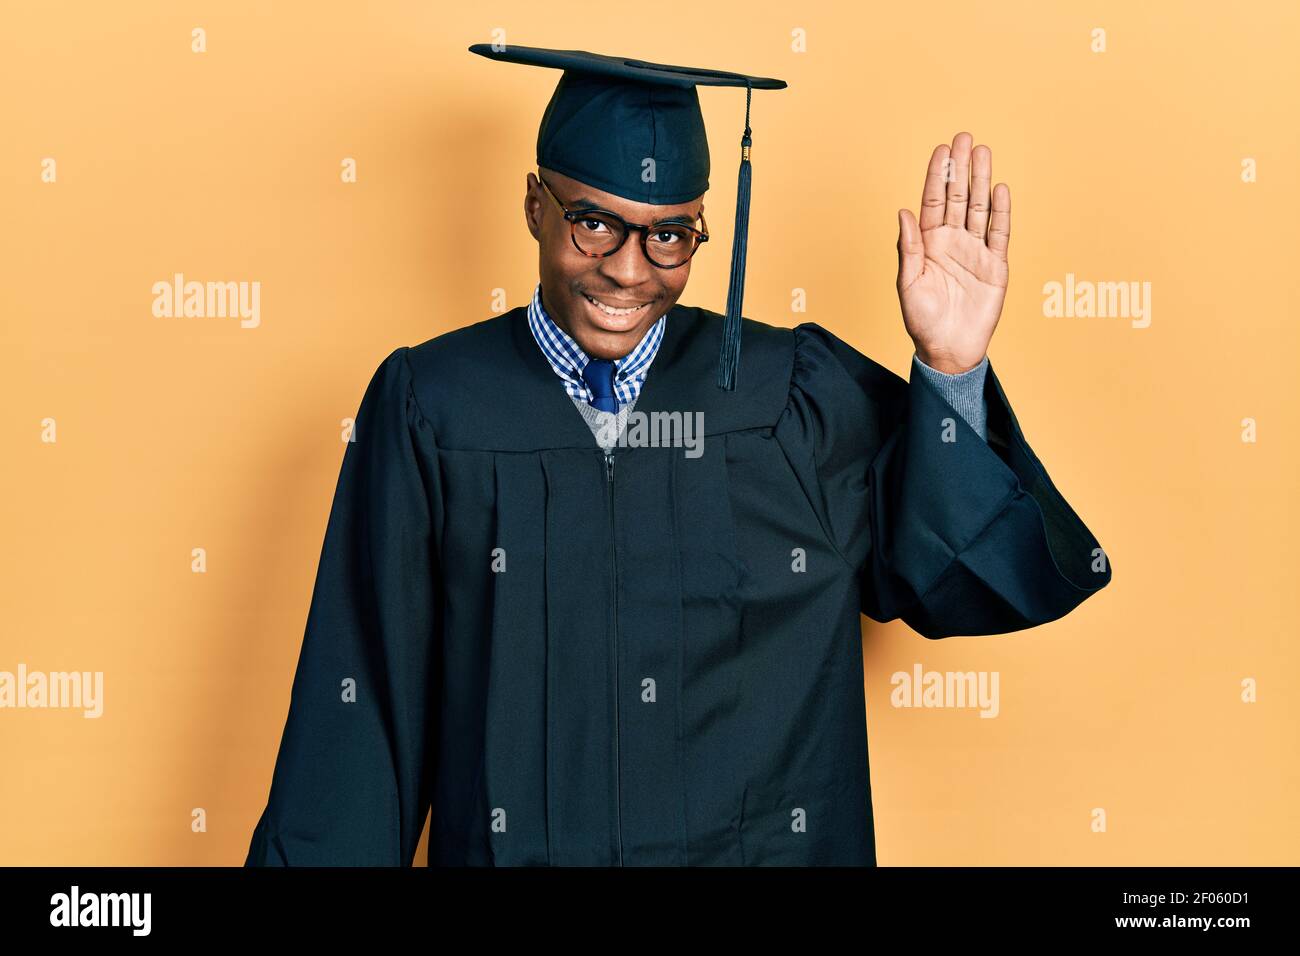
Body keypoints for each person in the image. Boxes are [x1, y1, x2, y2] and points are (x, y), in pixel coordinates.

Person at [244, 44, 1112, 867]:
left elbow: (955, 573)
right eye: (593, 225)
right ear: (535, 206)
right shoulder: (433, 406)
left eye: (669, 236)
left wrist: (950, 371)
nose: (629, 270)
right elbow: (359, 720)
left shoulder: (789, 398)